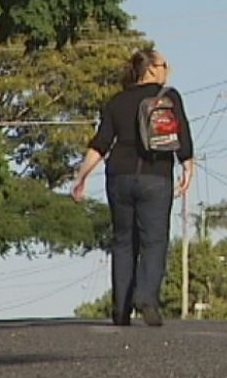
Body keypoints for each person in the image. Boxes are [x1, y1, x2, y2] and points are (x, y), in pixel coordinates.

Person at [71, 49, 193, 326]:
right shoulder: (168, 97)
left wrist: (81, 177)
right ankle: (147, 297)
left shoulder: (117, 102)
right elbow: (182, 136)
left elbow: (101, 144)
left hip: (119, 177)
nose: (167, 70)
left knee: (123, 241)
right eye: (164, 65)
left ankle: (121, 309)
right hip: (156, 177)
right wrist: (187, 166)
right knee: (154, 240)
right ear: (150, 69)